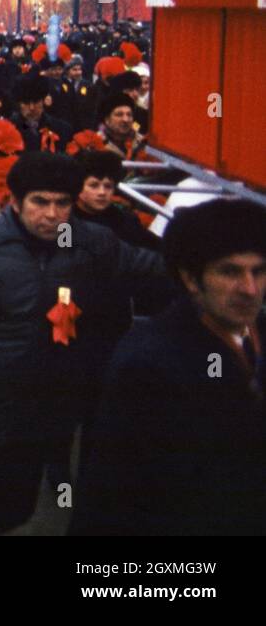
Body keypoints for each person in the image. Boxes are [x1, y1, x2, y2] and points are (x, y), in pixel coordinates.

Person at [0, 152, 168, 536]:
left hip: (40, 417)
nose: (52, 214)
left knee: (15, 511)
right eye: (40, 201)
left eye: (62, 203)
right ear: (15, 200)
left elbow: (152, 269)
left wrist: (209, 259)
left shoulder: (92, 245)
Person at [71, 198, 266, 535]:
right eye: (230, 271)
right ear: (191, 279)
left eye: (259, 271)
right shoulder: (147, 363)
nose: (249, 289)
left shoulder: (258, 331)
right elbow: (111, 493)